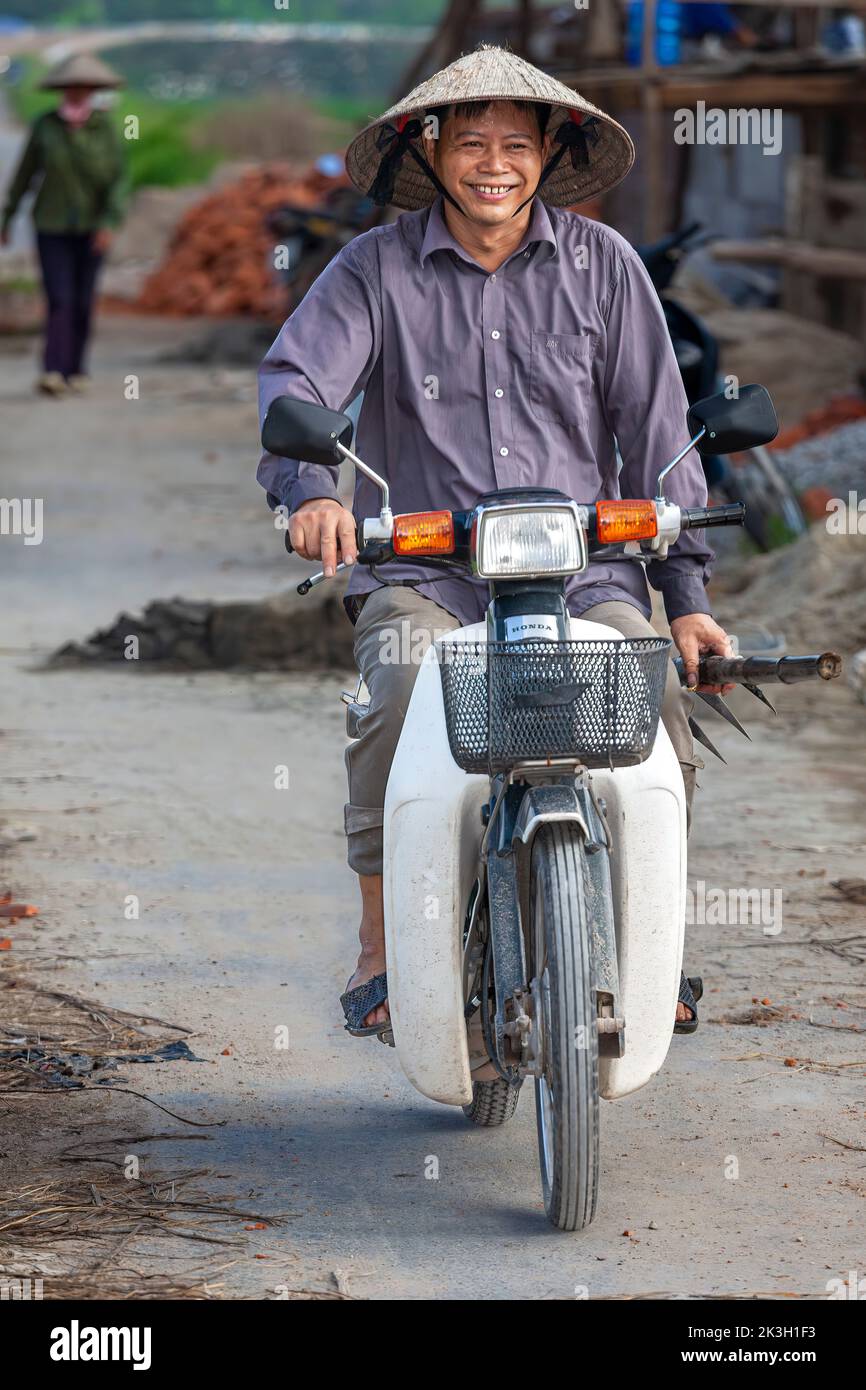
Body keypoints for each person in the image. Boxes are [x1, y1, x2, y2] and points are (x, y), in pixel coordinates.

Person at [258, 45, 733, 1041]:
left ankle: (654, 946)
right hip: (427, 571)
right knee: (392, 687)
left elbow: (656, 431)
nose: (490, 164)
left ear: (548, 150)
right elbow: (296, 385)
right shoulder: (373, 269)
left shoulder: (602, 268)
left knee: (654, 698)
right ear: (425, 151)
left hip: (584, 571)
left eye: (513, 144)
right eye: (466, 141)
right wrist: (312, 491)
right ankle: (382, 946)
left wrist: (684, 594)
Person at [1, 52, 128, 397]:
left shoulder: (105, 129)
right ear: (62, 90)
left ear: (91, 91)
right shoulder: (45, 126)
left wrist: (108, 223)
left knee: (84, 300)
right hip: (51, 225)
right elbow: (24, 175)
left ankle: (77, 370)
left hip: (92, 228)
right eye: (70, 88)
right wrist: (7, 218)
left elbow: (117, 181)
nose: (76, 93)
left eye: (83, 88)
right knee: (59, 298)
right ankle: (53, 370)